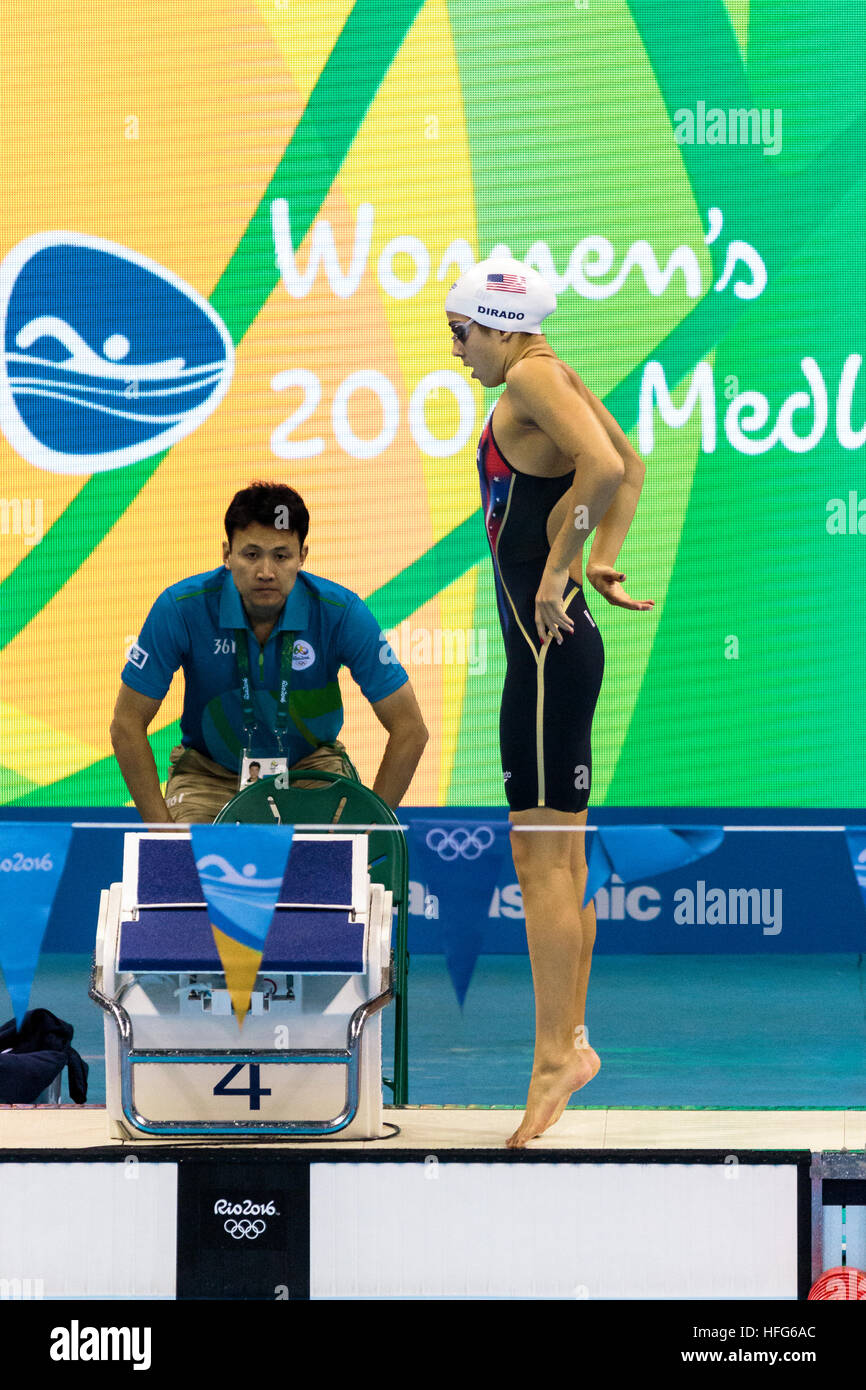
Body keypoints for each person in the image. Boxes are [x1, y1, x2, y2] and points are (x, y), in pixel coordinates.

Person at [446, 258, 653, 1147]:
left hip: (543, 655)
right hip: (559, 654)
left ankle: (553, 1058)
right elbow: (629, 469)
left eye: (462, 333)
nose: (457, 351)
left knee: (541, 872)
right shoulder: (554, 371)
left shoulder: (530, 374)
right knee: (559, 867)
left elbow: (604, 464)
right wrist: (603, 549)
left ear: (498, 326)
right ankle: (567, 1044)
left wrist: (565, 567)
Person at [110, 481, 428, 823]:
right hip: (209, 774)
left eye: (281, 556)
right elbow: (126, 724)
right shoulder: (181, 608)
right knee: (185, 868)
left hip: (310, 768)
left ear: (302, 556)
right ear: (226, 554)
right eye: (251, 554)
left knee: (338, 863)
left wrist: (372, 823)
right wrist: (163, 834)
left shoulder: (341, 611)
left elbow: (410, 728)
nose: (265, 572)